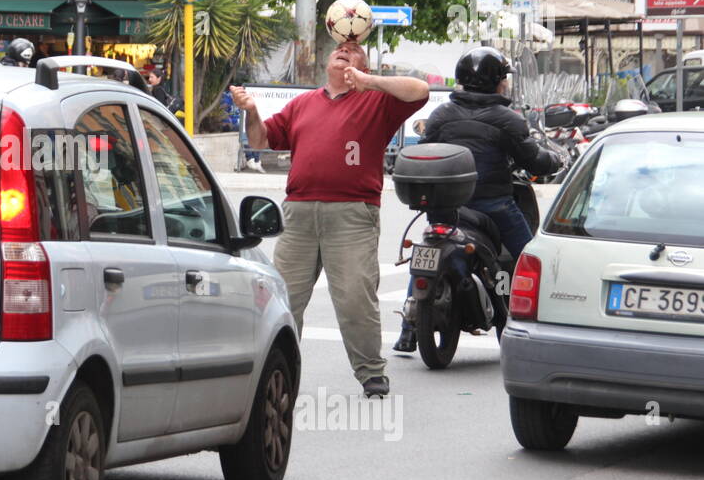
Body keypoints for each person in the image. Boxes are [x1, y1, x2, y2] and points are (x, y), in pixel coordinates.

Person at [230, 40, 429, 397]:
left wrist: (371, 81)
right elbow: (260, 139)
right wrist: (250, 111)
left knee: (355, 297)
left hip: (352, 215)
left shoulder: (376, 100)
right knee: (284, 300)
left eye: (353, 51)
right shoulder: (304, 103)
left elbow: (420, 91)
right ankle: (274, 374)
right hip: (299, 214)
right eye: (339, 47)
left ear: (362, 64)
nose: (343, 51)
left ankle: (371, 372)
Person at [392, 46, 564, 354]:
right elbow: (535, 161)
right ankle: (529, 323)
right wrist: (557, 160)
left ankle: (407, 330)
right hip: (493, 205)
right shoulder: (507, 120)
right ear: (497, 81)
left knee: (426, 252)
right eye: (503, 79)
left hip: (444, 207)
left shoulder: (441, 114)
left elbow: (427, 150)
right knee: (530, 259)